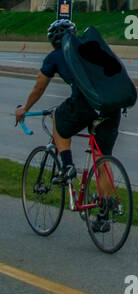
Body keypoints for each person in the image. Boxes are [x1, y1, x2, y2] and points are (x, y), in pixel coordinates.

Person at [14, 17, 122, 185]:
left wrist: (25, 108)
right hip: (111, 105)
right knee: (102, 159)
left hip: (85, 103)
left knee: (58, 117)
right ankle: (108, 206)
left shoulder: (56, 56)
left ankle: (67, 166)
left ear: (52, 41)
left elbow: (38, 88)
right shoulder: (89, 48)